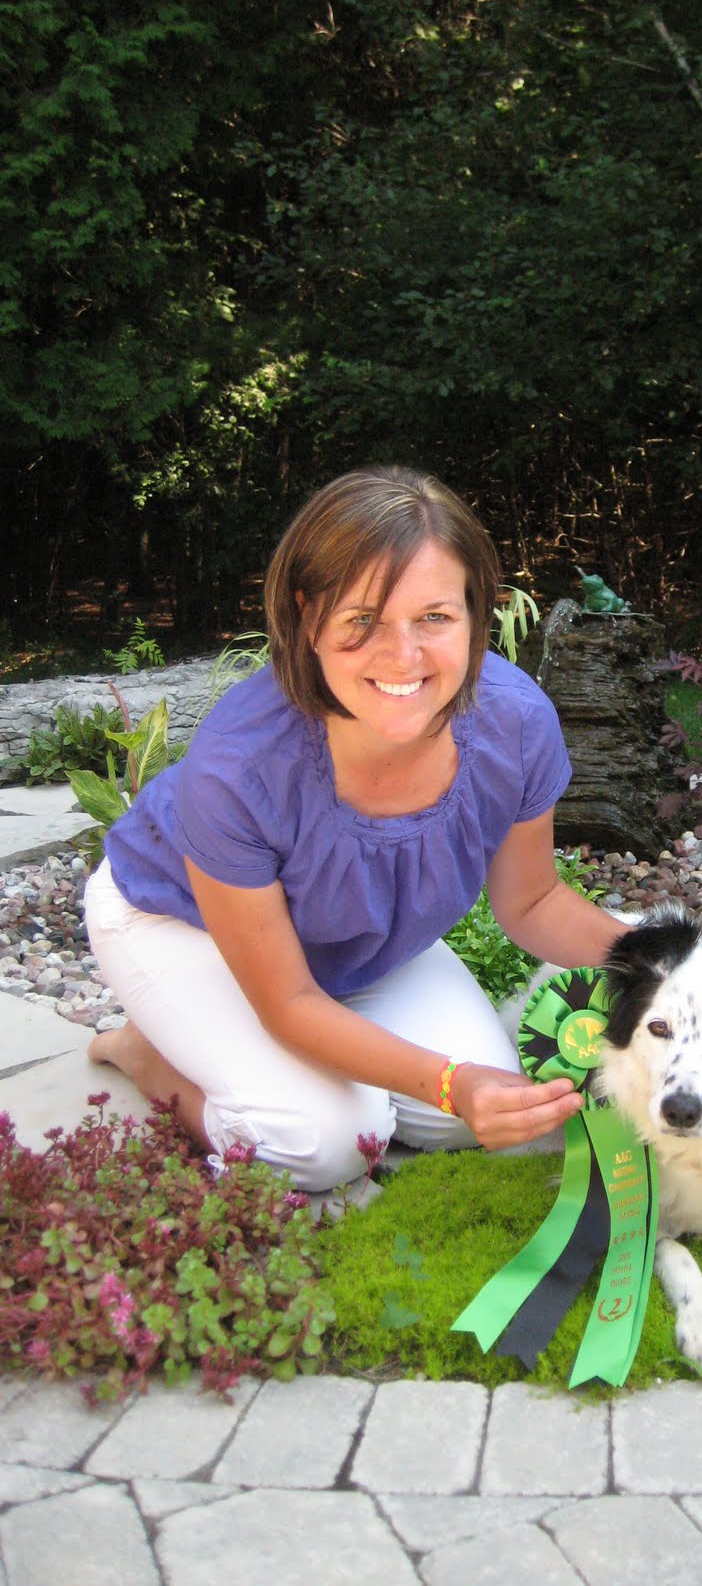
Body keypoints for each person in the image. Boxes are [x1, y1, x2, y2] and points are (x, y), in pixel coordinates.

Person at [85, 465, 630, 1191]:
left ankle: (291, 1065)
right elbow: (289, 1002)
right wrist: (447, 1079)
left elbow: (531, 904)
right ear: (309, 617)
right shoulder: (239, 765)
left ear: (475, 614)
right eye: (363, 620)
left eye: (434, 617)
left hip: (354, 947)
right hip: (182, 925)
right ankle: (150, 1055)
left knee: (474, 1114)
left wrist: (675, 965)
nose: (402, 656)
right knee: (327, 1143)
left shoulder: (517, 722)